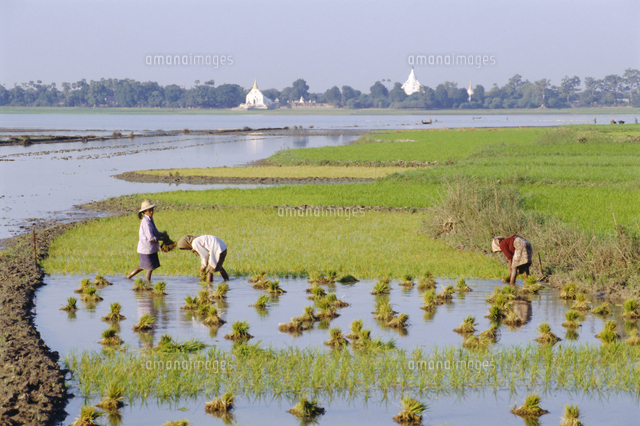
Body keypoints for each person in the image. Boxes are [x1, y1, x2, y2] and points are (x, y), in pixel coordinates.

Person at [126, 200, 165, 282]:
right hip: (146, 249)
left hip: (150, 248)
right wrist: (161, 239)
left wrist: (163, 235)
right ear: (144, 212)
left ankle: (128, 278)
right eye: (149, 210)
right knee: (148, 267)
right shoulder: (146, 222)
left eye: (152, 209)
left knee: (146, 267)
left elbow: (156, 232)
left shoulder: (150, 220)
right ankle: (146, 283)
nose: (151, 212)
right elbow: (150, 237)